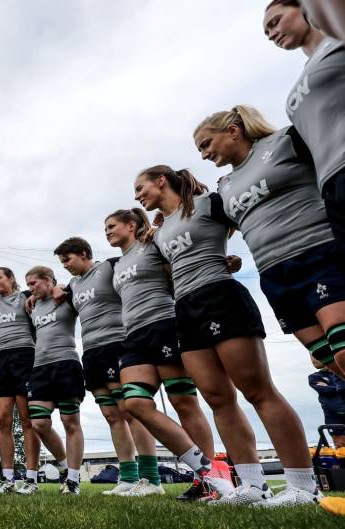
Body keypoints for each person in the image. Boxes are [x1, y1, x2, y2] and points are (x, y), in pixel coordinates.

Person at [138, 164, 320, 506]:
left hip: (221, 296)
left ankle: (304, 486)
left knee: (257, 390)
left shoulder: (209, 203)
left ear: (161, 180)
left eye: (141, 187)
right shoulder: (159, 232)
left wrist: (231, 259)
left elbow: (251, 219)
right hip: (186, 308)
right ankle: (252, 485)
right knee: (217, 398)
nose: (137, 196)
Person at [194, 105, 345, 378]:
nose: (204, 154)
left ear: (232, 131)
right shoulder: (224, 185)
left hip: (318, 254)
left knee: (343, 348)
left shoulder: (286, 141)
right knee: (328, 359)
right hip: (273, 274)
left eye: (206, 144)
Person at [105, 208, 223, 501]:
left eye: (112, 226)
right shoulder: (117, 265)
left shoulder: (153, 243)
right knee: (134, 403)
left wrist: (227, 261)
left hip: (165, 324)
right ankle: (206, 470)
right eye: (105, 228)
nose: (107, 231)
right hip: (133, 335)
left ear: (131, 225)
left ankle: (207, 482)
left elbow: (183, 262)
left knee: (183, 401)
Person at [54, 237, 162, 496]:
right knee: (112, 416)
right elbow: (53, 294)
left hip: (118, 344)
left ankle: (151, 478)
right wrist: (58, 289)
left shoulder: (110, 266)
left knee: (131, 411)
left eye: (67, 259)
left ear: (82, 253)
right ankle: (127, 477)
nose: (65, 265)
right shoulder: (73, 285)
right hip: (91, 352)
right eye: (61, 262)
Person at [264, 1, 345, 253]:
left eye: (275, 22)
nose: (272, 34)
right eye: (267, 33)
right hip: (331, 187)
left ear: (304, 8)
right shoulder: (302, 75)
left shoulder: (338, 38)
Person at [0, 268, 43, 495]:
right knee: (2, 420)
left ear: (11, 279)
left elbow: (48, 295)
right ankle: (7, 478)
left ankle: (31, 478)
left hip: (26, 357)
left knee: (28, 420)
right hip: (2, 360)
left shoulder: (25, 296)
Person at [25, 266, 82, 495]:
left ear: (48, 280)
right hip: (39, 368)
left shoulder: (66, 296)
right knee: (38, 423)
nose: (30, 288)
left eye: (33, 283)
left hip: (66, 363)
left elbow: (81, 279)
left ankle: (73, 481)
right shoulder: (32, 305)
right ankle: (65, 467)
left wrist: (61, 287)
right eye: (28, 285)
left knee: (70, 421)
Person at [309, 358, 345, 449]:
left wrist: (331, 387)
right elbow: (324, 390)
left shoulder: (341, 372)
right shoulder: (315, 377)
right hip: (333, 416)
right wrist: (340, 387)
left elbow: (330, 389)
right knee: (340, 444)